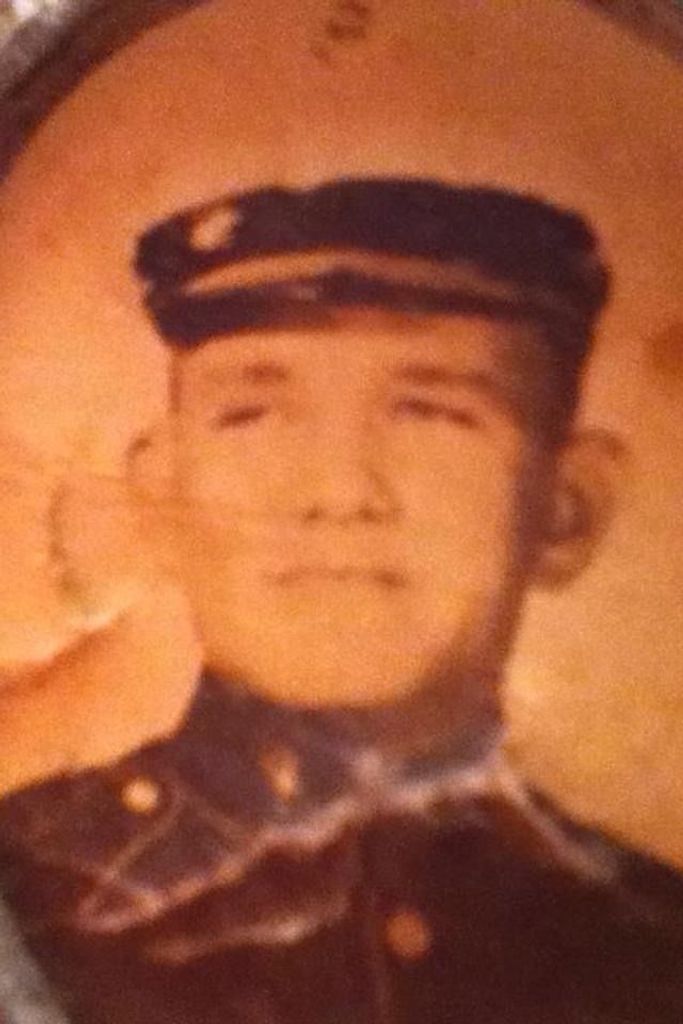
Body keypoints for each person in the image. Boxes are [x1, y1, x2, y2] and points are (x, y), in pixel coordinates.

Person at [2, 175, 683, 1024]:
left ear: (564, 508)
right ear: (160, 489)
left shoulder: (641, 942)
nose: (339, 492)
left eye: (430, 414)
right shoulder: (45, 872)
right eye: (253, 415)